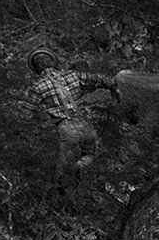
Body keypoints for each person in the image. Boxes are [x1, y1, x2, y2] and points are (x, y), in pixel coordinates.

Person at [20, 47, 119, 198]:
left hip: (65, 128)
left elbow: (25, 113)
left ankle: (63, 195)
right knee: (89, 155)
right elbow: (99, 79)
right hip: (85, 124)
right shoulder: (73, 75)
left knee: (64, 167)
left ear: (37, 68)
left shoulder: (37, 87)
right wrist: (112, 86)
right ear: (53, 62)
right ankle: (85, 185)